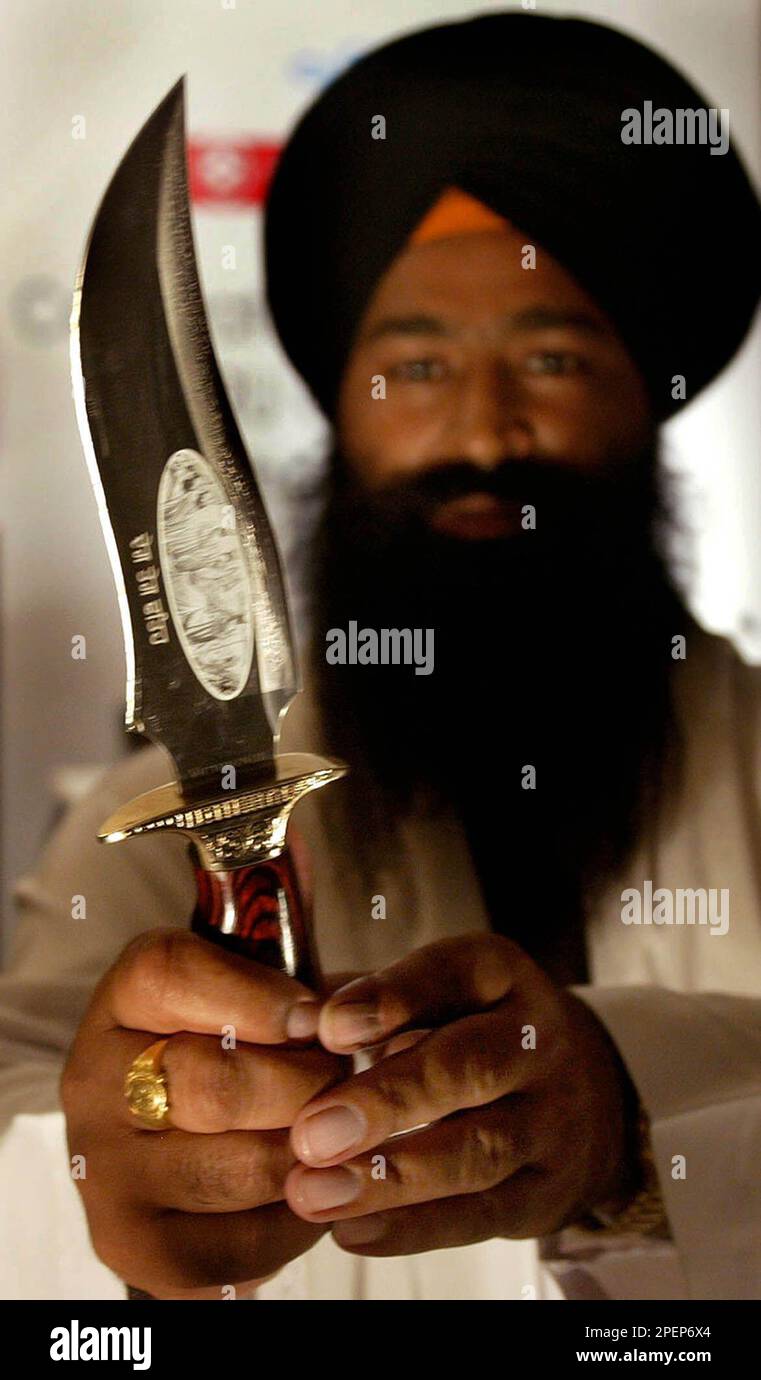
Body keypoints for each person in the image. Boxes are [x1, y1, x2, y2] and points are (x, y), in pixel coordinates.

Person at [2, 11, 761, 1301]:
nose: (483, 430)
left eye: (554, 355)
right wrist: (118, 1167)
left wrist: (635, 1122)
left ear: (653, 395)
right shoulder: (185, 815)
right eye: (416, 364)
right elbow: (30, 1101)